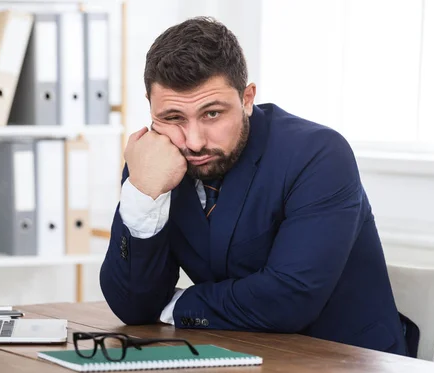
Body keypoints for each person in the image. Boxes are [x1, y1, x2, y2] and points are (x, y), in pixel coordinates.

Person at [100, 16, 411, 356]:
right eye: (173, 117)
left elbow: (289, 298)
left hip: (344, 357)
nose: (194, 141)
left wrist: (178, 305)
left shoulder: (318, 155)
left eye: (212, 114)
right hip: (235, 353)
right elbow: (132, 306)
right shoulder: (152, 162)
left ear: (247, 98)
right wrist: (143, 193)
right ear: (151, 108)